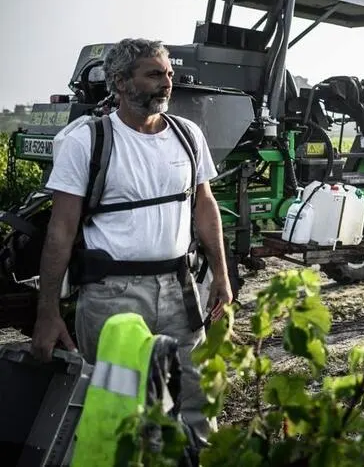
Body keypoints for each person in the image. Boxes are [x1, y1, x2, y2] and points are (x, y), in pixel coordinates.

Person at [30, 37, 233, 443]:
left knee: (195, 403)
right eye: (155, 74)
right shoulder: (86, 141)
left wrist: (222, 279)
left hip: (179, 290)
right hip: (111, 298)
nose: (167, 83)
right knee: (116, 409)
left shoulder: (188, 135)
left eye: (170, 74)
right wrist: (47, 312)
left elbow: (205, 208)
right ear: (120, 82)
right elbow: (61, 231)